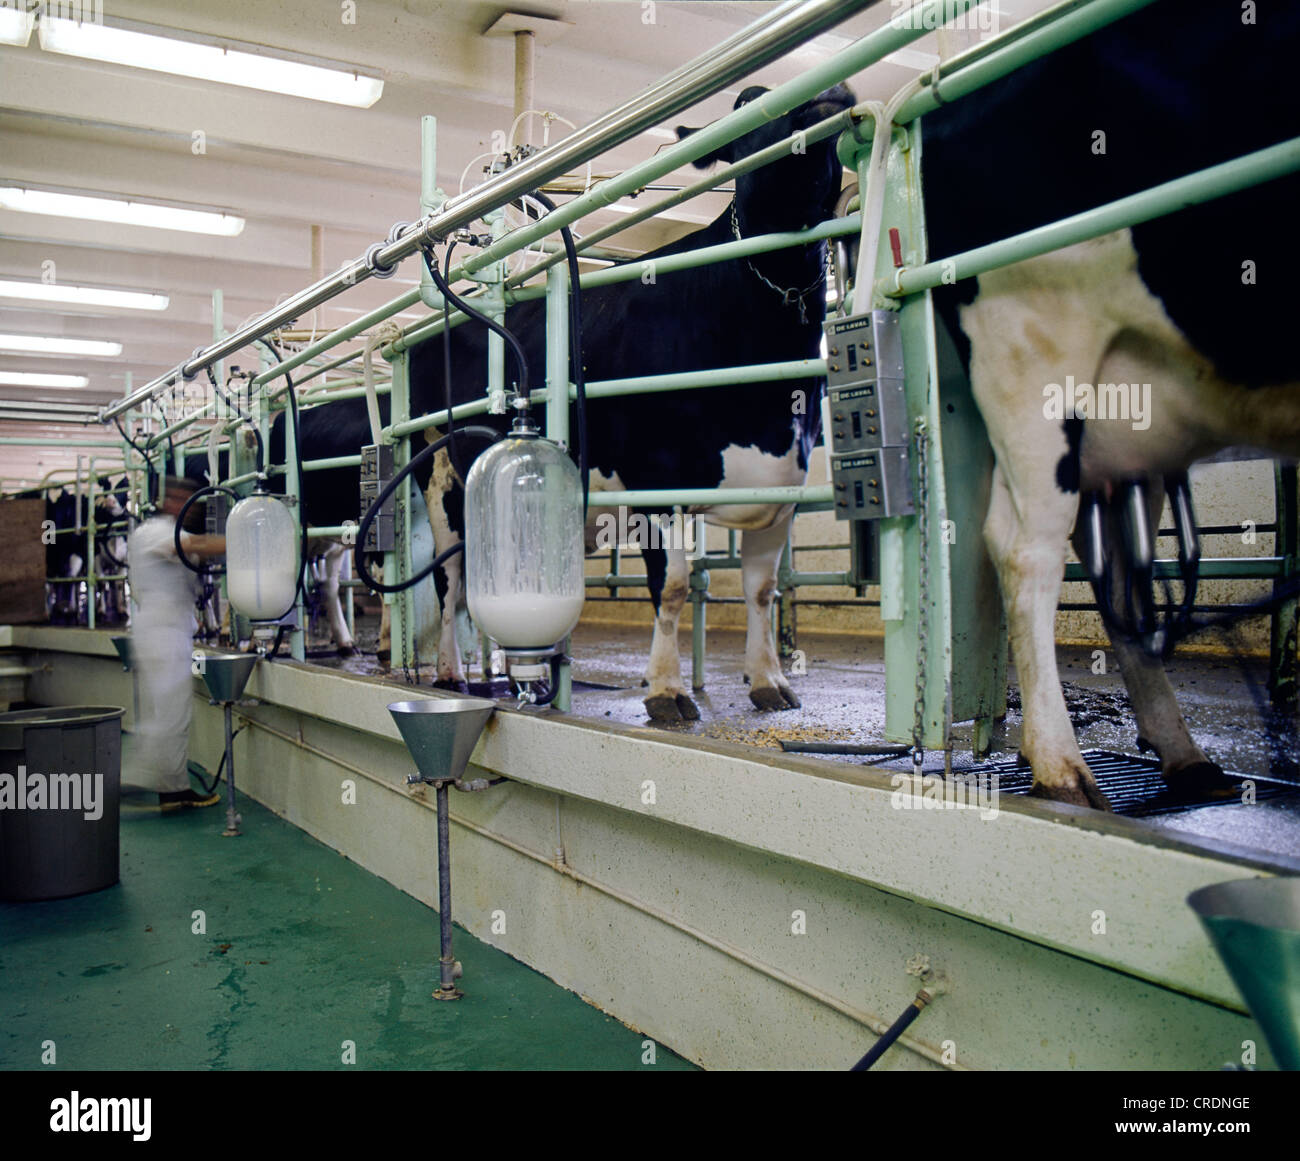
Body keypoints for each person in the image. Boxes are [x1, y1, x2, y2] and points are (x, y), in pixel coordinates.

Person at [128, 476, 226, 811]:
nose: (190, 506)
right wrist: (247, 536)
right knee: (171, 712)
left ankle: (170, 788)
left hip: (165, 627)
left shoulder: (158, 531)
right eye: (185, 498)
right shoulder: (158, 530)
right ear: (170, 500)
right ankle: (139, 778)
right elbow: (191, 546)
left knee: (170, 710)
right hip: (163, 630)